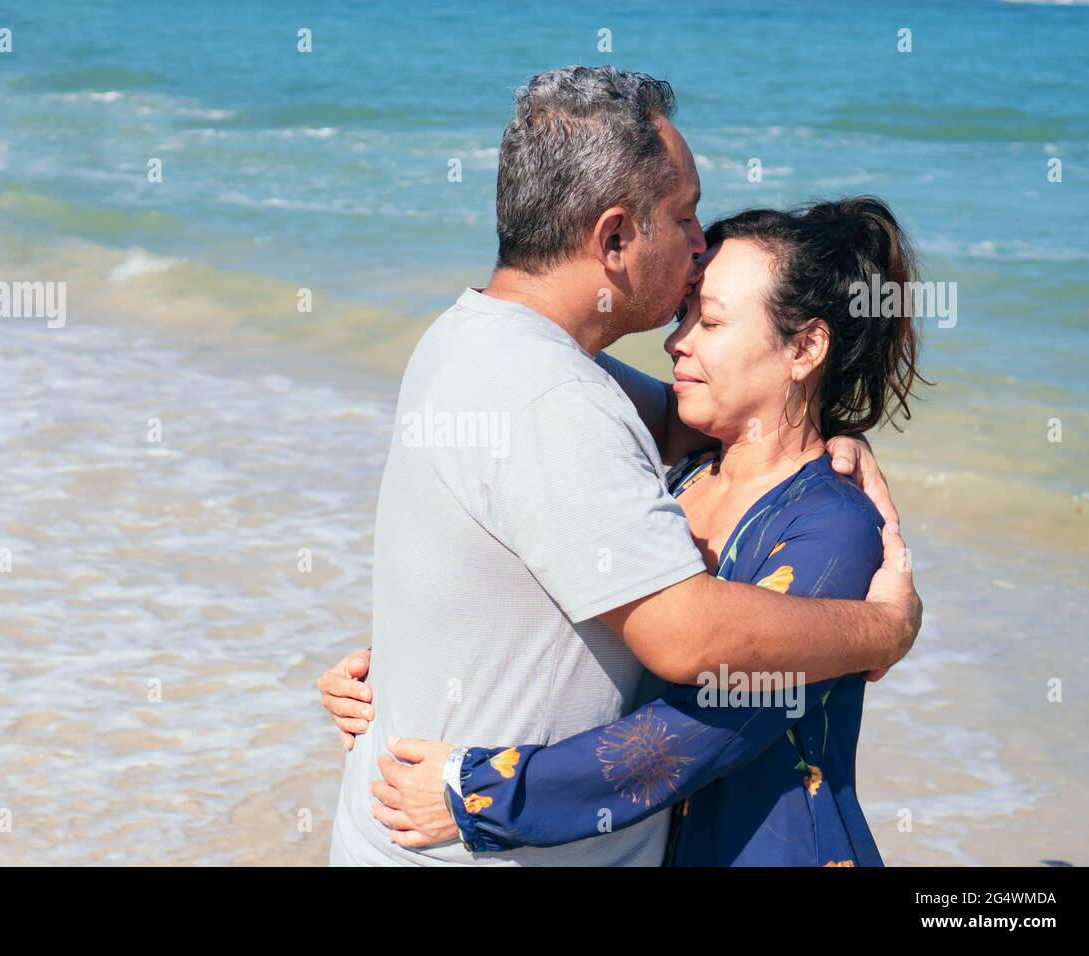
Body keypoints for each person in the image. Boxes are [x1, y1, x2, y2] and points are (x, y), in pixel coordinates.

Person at [326, 65, 920, 867]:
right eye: (684, 216)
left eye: (711, 320)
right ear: (613, 239)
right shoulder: (557, 401)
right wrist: (885, 628)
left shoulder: (471, 341)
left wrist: (830, 445)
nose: (697, 242)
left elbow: (688, 424)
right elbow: (686, 638)